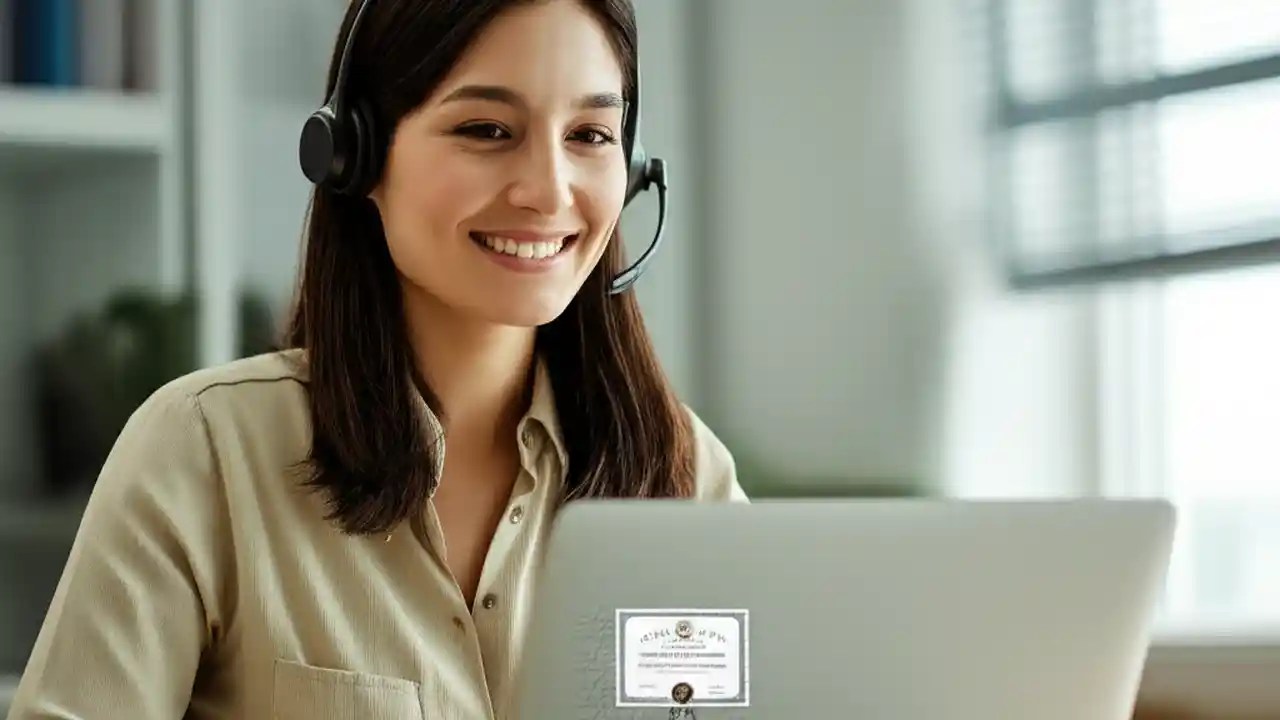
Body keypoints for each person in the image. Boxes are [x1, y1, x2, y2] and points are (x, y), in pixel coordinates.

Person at [5, 0, 747, 718]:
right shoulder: (204, 453)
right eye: (488, 129)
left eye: (589, 135)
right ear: (354, 156)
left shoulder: (684, 477)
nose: (547, 190)